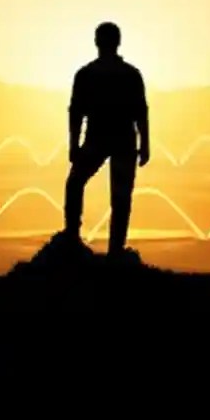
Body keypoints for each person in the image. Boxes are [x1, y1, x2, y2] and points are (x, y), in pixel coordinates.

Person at [62, 21, 150, 255]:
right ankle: (115, 249)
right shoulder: (130, 74)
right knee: (120, 197)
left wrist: (73, 144)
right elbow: (141, 111)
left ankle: (72, 235)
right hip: (121, 140)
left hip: (98, 139)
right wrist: (145, 144)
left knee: (75, 184)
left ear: (96, 42)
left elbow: (75, 112)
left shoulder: (86, 74)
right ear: (118, 42)